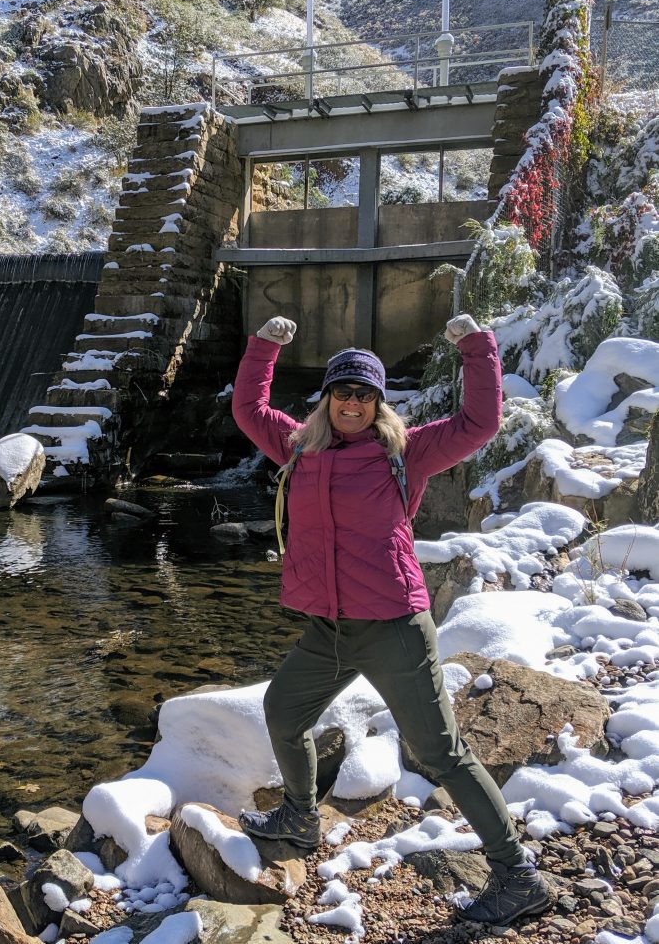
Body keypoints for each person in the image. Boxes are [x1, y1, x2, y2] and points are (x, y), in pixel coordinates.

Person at [230, 314, 553, 927]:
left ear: (379, 403)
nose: (352, 403)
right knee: (284, 712)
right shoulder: (298, 447)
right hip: (330, 628)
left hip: (395, 628)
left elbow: (480, 422)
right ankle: (299, 816)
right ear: (327, 397)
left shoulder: (406, 451)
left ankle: (518, 876)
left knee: (440, 753)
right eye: (343, 391)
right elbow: (249, 409)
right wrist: (265, 347)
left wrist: (476, 349)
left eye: (365, 394)